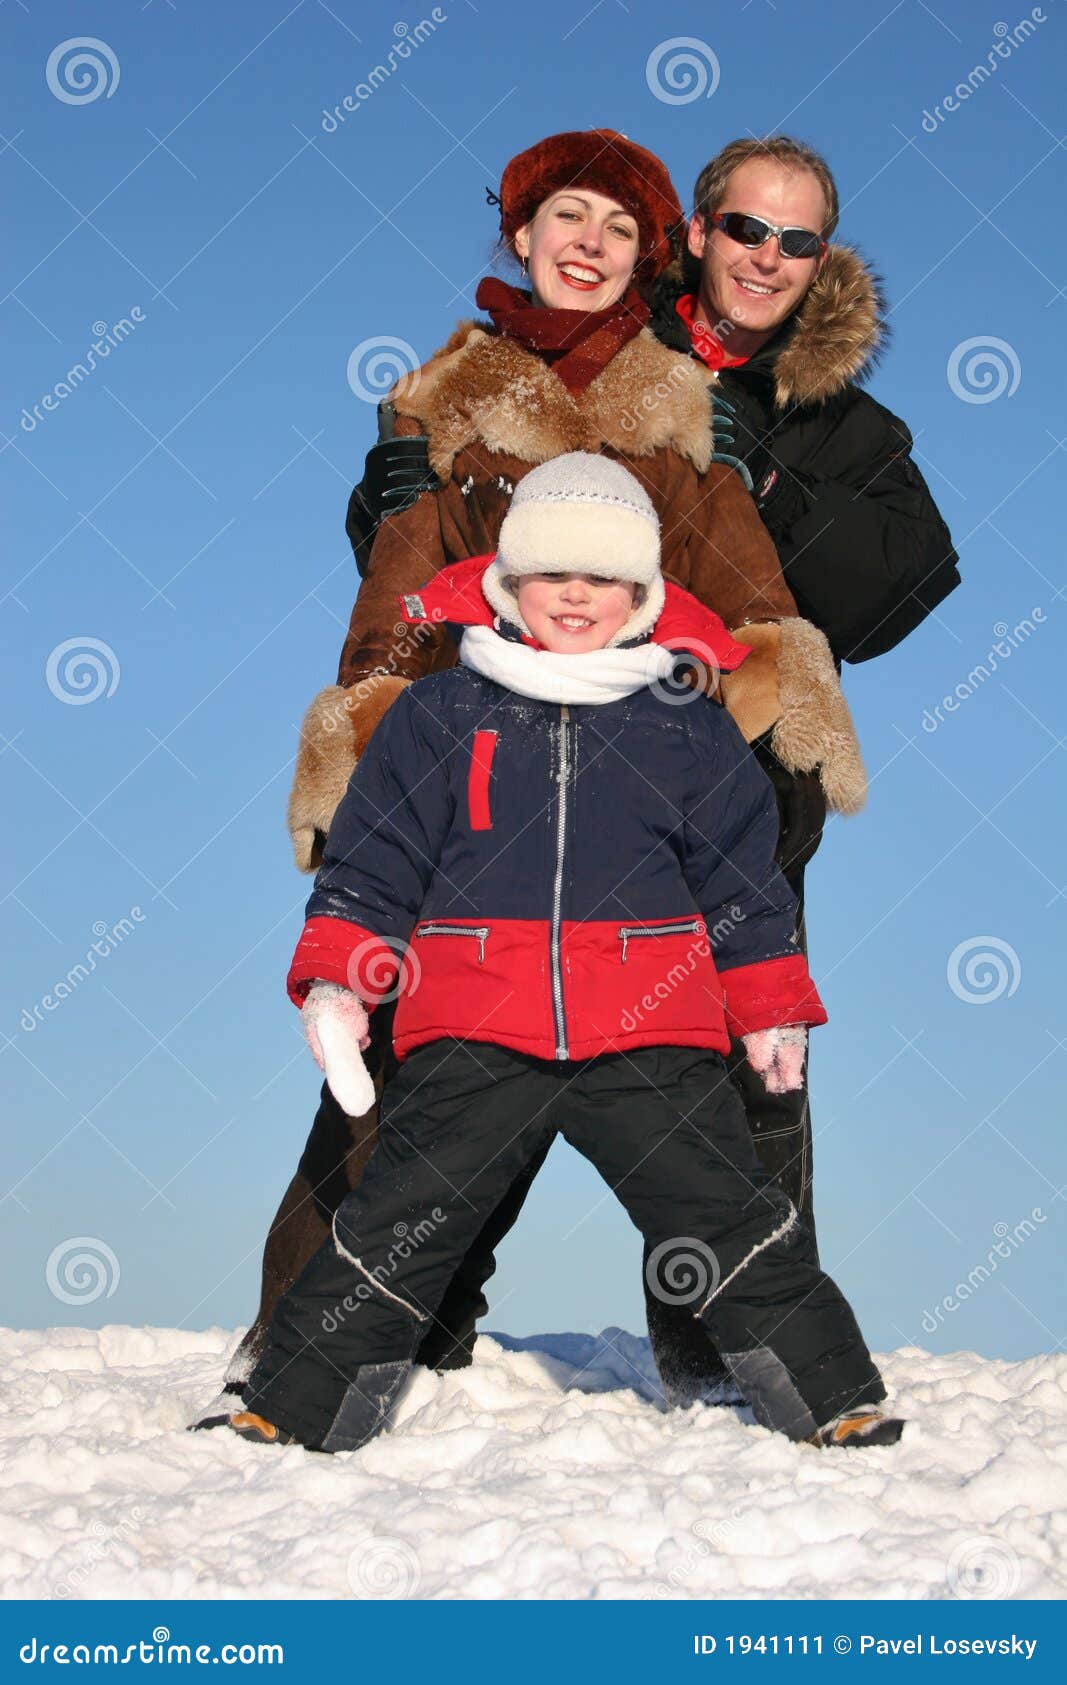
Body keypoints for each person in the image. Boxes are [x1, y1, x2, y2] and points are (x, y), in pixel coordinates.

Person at [208, 128, 863, 1421]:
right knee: (401, 1065)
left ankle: (747, 1353)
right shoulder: (441, 394)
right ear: (517, 232)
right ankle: (309, 1346)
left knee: (692, 1086)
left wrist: (742, 734)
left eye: (617, 229)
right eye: (564, 217)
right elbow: (400, 585)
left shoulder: (676, 399)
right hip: (483, 769)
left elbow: (744, 590)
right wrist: (373, 734)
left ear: (648, 257)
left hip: (638, 779)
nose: (587, 244)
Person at [216, 455, 903, 1456]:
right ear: (507, 582)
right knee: (394, 1222)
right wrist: (338, 981)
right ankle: (297, 1403)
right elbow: (375, 863)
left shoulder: (685, 725)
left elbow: (740, 882)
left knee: (730, 1215)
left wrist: (767, 1002)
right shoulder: (441, 714)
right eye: (552, 575)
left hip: (649, 1030)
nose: (575, 596)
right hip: (473, 1025)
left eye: (602, 578)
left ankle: (829, 1393)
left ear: (640, 593)